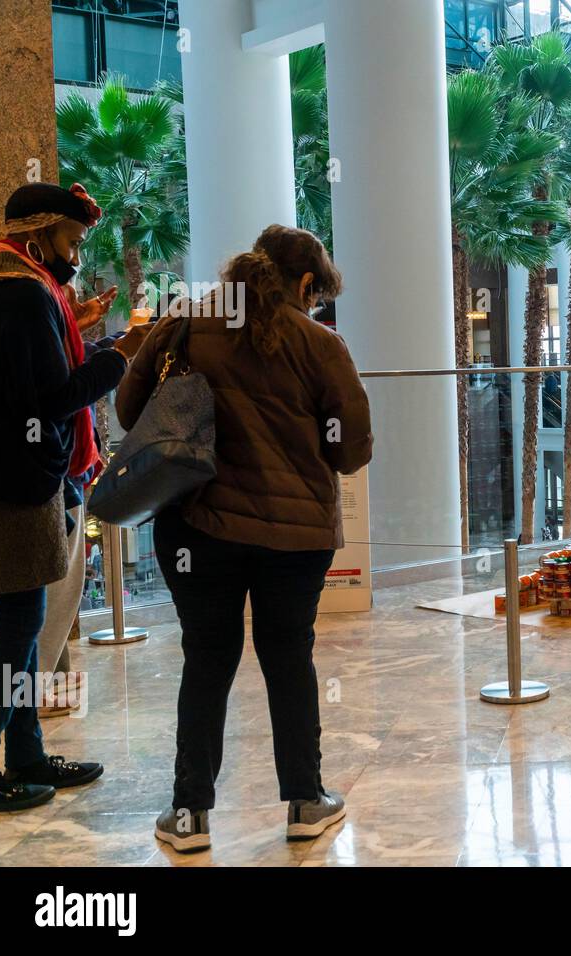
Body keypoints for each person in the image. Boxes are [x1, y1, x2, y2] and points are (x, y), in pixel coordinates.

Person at [116, 224, 372, 853]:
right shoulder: (321, 345)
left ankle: (189, 817)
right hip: (296, 535)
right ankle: (306, 802)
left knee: (207, 658)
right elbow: (351, 450)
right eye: (316, 294)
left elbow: (130, 412)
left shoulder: (183, 323)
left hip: (197, 527)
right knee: (289, 657)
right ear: (306, 283)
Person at [0, 182, 149, 813]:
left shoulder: (8, 286)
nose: (77, 255)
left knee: (22, 625)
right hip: (19, 484)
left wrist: (101, 351)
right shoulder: (24, 296)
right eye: (72, 241)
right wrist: (123, 356)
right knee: (18, 625)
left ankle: (25, 755)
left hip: (13, 477)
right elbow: (54, 398)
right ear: (38, 235)